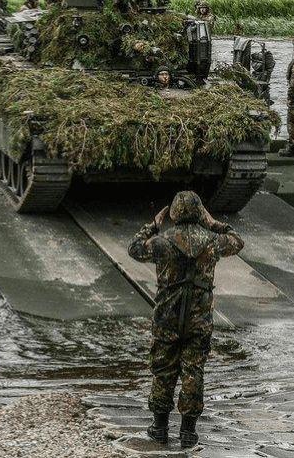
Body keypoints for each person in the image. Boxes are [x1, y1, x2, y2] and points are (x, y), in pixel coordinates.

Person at [128, 190, 244, 448]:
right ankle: (188, 431)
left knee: (163, 369)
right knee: (193, 372)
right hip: (199, 320)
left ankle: (159, 427)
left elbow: (134, 249)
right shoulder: (213, 241)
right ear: (200, 213)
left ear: (174, 214)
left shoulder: (162, 242)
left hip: (167, 318)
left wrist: (152, 226)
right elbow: (237, 241)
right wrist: (214, 224)